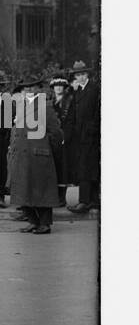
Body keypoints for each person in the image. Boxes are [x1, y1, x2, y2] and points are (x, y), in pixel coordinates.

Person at [8, 76, 63, 234]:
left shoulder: (46, 106)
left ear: (38, 89)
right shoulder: (20, 106)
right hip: (20, 155)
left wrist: (50, 150)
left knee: (41, 191)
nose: (29, 91)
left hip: (39, 155)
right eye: (25, 88)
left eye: (32, 88)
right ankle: (32, 221)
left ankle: (45, 224)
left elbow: (56, 133)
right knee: (22, 191)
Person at [63, 61, 100, 215]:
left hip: (90, 136)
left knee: (87, 169)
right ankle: (92, 201)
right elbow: (73, 115)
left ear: (87, 75)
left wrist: (93, 130)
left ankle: (85, 202)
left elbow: (98, 112)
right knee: (85, 168)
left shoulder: (94, 89)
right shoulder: (78, 92)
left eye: (83, 74)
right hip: (80, 137)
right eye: (78, 75)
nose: (81, 77)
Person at [49, 74, 73, 205]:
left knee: (63, 167)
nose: (58, 88)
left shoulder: (69, 100)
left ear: (64, 87)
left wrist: (66, 136)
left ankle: (62, 198)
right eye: (56, 86)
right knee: (53, 166)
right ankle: (53, 196)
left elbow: (71, 121)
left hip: (64, 137)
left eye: (61, 86)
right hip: (52, 137)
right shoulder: (50, 101)